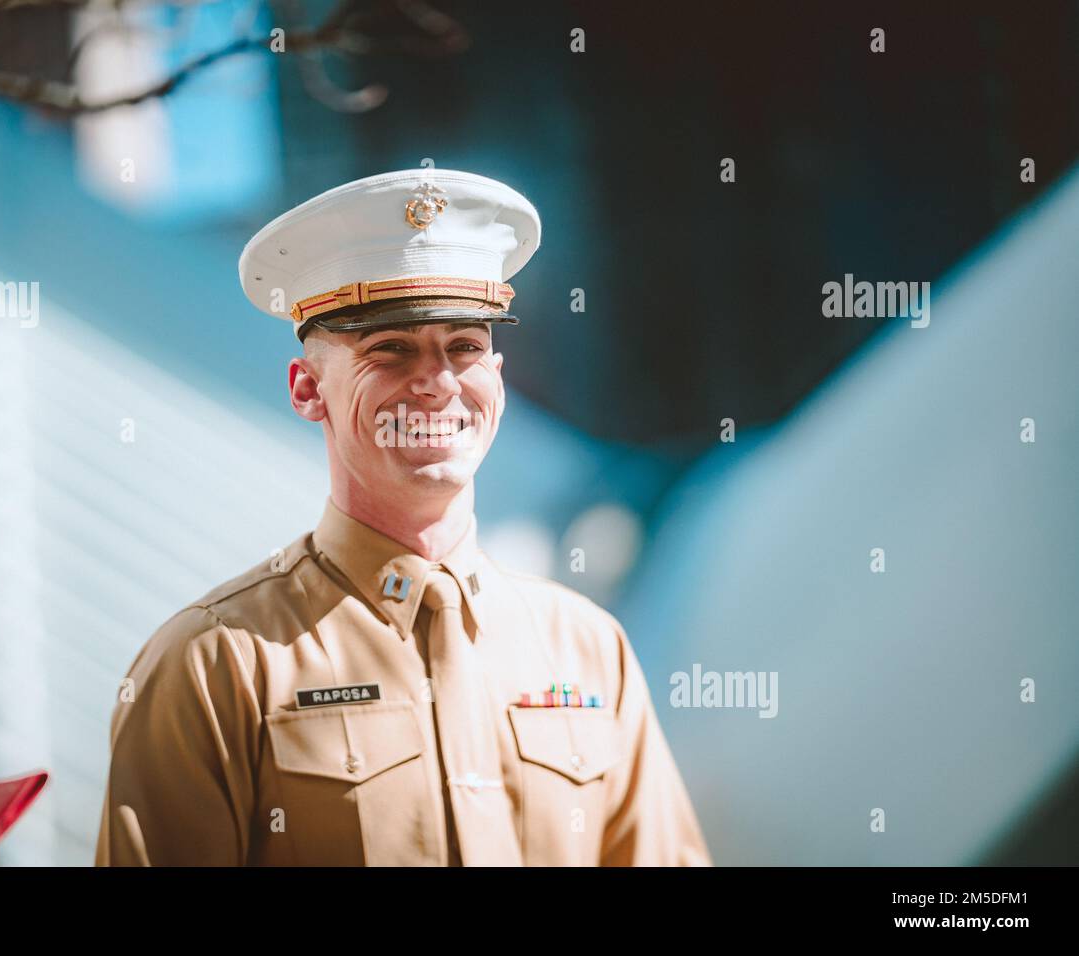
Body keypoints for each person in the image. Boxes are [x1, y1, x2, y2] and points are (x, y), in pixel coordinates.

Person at [94, 168, 712, 866]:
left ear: (498, 383)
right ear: (307, 388)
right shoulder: (213, 668)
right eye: (390, 348)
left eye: (465, 347)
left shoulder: (591, 651)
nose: (439, 382)